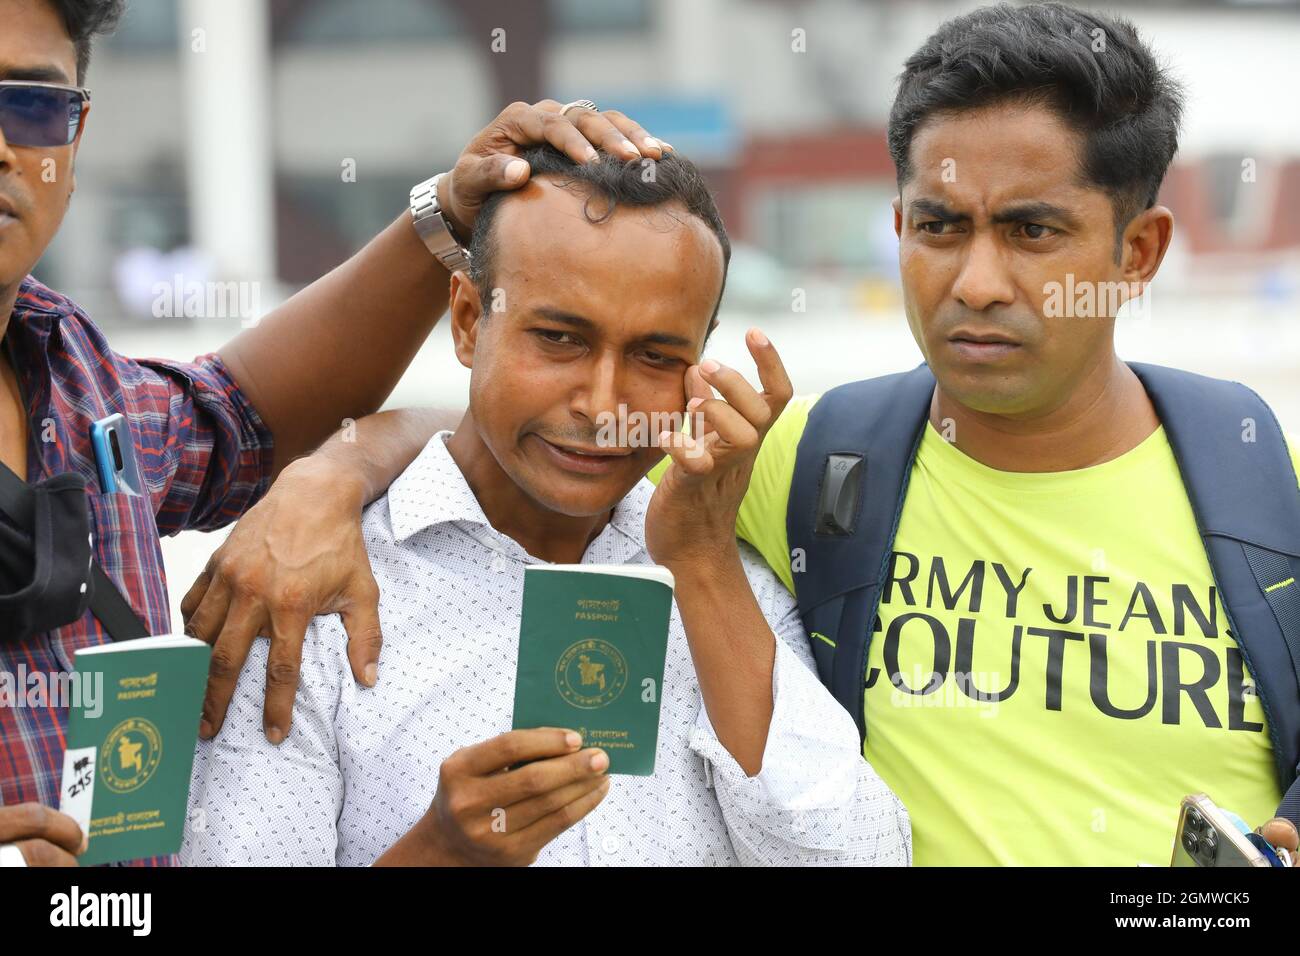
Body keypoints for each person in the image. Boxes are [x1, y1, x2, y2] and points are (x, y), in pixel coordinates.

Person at [189, 2, 1300, 866]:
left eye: (1032, 231)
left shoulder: (1258, 489)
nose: (977, 279)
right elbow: (547, 437)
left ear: (1140, 252)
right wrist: (329, 473)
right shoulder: (804, 464)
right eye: (938, 225)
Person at [0, 0, 669, 867]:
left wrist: (336, 471)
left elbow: (242, 420)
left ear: (74, 141)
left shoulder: (83, 386)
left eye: (32, 105)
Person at [180, 146, 911, 866]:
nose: (601, 405)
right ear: (469, 319)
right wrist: (441, 855)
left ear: (702, 361)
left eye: (656, 357)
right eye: (558, 339)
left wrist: (699, 559)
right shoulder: (310, 592)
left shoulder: (726, 582)